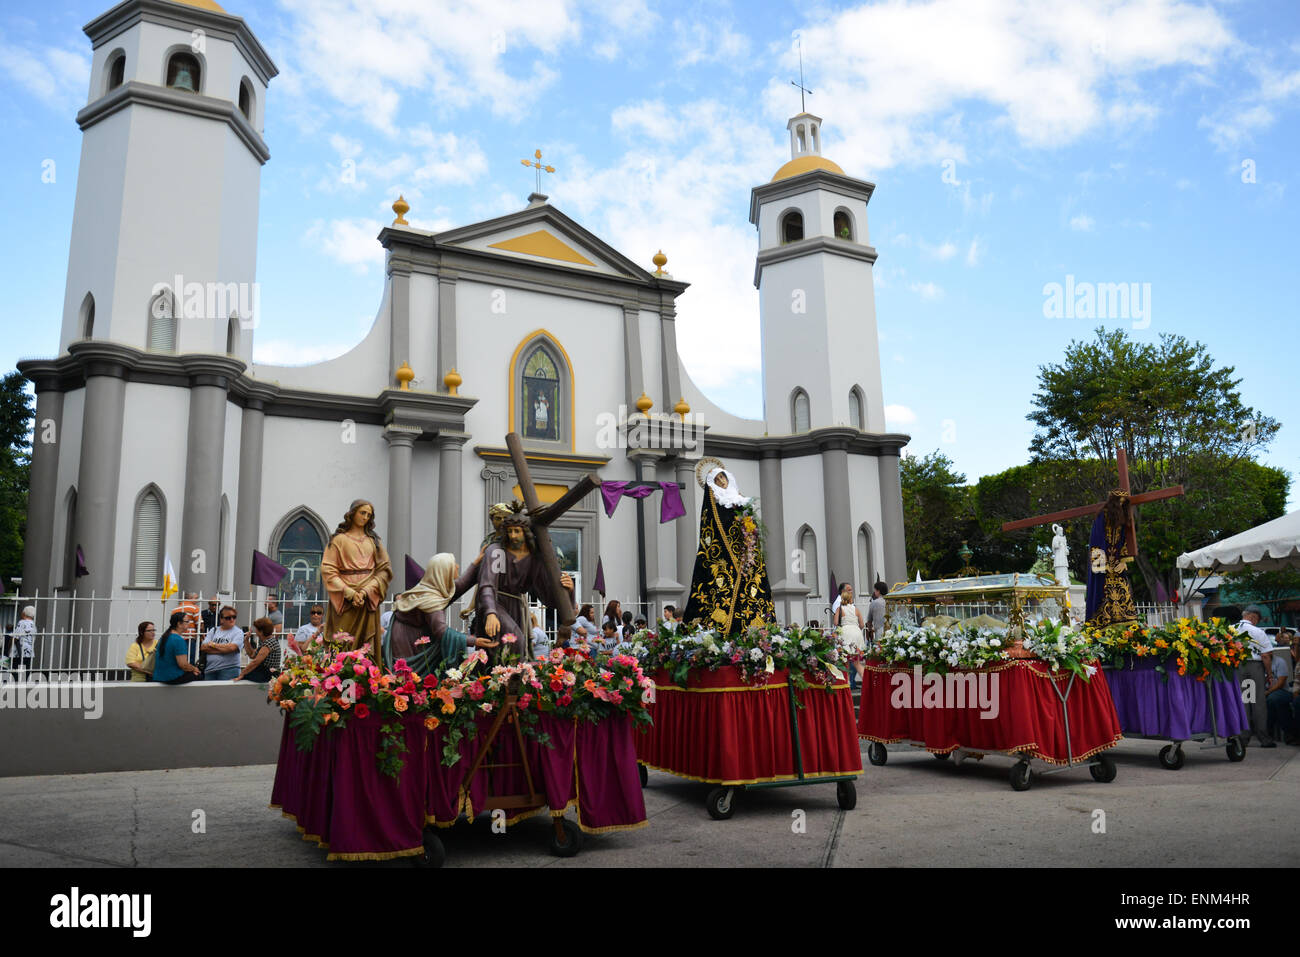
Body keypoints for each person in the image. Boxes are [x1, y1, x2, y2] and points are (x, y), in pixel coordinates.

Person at [471, 502, 574, 662]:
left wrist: (568, 590)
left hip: (517, 605)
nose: (513, 536)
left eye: (517, 531)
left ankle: (513, 681)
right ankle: (504, 680)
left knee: (516, 647)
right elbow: (487, 585)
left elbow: (545, 595)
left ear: (525, 533)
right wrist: (490, 612)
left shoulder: (534, 558)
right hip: (495, 602)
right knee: (515, 639)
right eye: (510, 531)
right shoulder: (497, 551)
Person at [682, 461, 776, 634]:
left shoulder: (740, 500)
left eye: (723, 477)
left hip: (746, 555)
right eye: (717, 479)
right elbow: (713, 530)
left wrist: (749, 546)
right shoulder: (714, 504)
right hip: (724, 556)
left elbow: (751, 528)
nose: (722, 481)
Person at [384, 553, 493, 673]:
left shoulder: (432, 589)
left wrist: (476, 563)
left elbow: (461, 585)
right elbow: (441, 630)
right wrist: (474, 641)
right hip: (408, 646)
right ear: (444, 571)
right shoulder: (431, 599)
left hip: (409, 639)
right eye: (453, 565)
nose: (457, 566)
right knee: (411, 680)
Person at [321, 499, 393, 654]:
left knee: (366, 646)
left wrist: (366, 591)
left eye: (369, 514)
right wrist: (350, 593)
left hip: (368, 596)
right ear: (352, 514)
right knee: (342, 639)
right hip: (345, 598)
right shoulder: (339, 540)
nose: (365, 517)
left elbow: (384, 570)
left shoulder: (374, 542)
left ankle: (366, 674)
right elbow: (328, 569)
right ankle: (339, 673)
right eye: (362, 513)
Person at [1233, 605, 1277, 747]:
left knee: (1244, 701)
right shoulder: (1257, 631)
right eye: (1257, 619)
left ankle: (1243, 737)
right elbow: (1265, 656)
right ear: (1253, 617)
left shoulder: (1231, 629)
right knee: (1258, 702)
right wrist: (1269, 674)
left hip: (1237, 667)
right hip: (1254, 667)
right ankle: (1263, 738)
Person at [154, 611, 202, 684]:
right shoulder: (178, 639)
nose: (189, 624)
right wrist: (194, 669)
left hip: (159, 676)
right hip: (172, 677)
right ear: (179, 624)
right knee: (199, 675)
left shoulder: (164, 637)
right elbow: (183, 665)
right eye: (187, 621)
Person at [834, 583, 866, 689]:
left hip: (846, 633)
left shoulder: (840, 609)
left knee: (845, 661)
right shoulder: (856, 609)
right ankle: (867, 682)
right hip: (856, 633)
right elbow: (862, 624)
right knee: (857, 662)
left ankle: (846, 684)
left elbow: (835, 623)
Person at [201, 605, 244, 681]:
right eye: (228, 618)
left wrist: (213, 645)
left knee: (225, 693)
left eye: (234, 617)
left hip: (229, 669)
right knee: (209, 693)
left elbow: (232, 648)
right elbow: (204, 647)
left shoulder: (238, 632)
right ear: (221, 619)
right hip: (210, 669)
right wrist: (224, 650)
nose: (232, 619)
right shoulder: (213, 630)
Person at [234, 617, 282, 683]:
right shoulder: (267, 642)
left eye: (256, 629)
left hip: (267, 675)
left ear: (261, 632)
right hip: (265, 674)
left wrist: (242, 674)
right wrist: (246, 640)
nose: (255, 631)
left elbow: (256, 661)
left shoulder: (269, 643)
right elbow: (252, 654)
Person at [9, 606, 36, 673]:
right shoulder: (33, 625)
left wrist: (8, 647)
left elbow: (15, 637)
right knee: (25, 672)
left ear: (24, 613)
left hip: (18, 653)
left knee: (16, 672)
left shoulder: (22, 623)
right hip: (29, 652)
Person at [868, 581, 888, 646]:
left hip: (879, 630)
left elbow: (869, 620)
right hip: (890, 630)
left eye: (875, 590)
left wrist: (870, 630)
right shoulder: (890, 601)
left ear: (878, 591)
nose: (874, 592)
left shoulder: (874, 603)